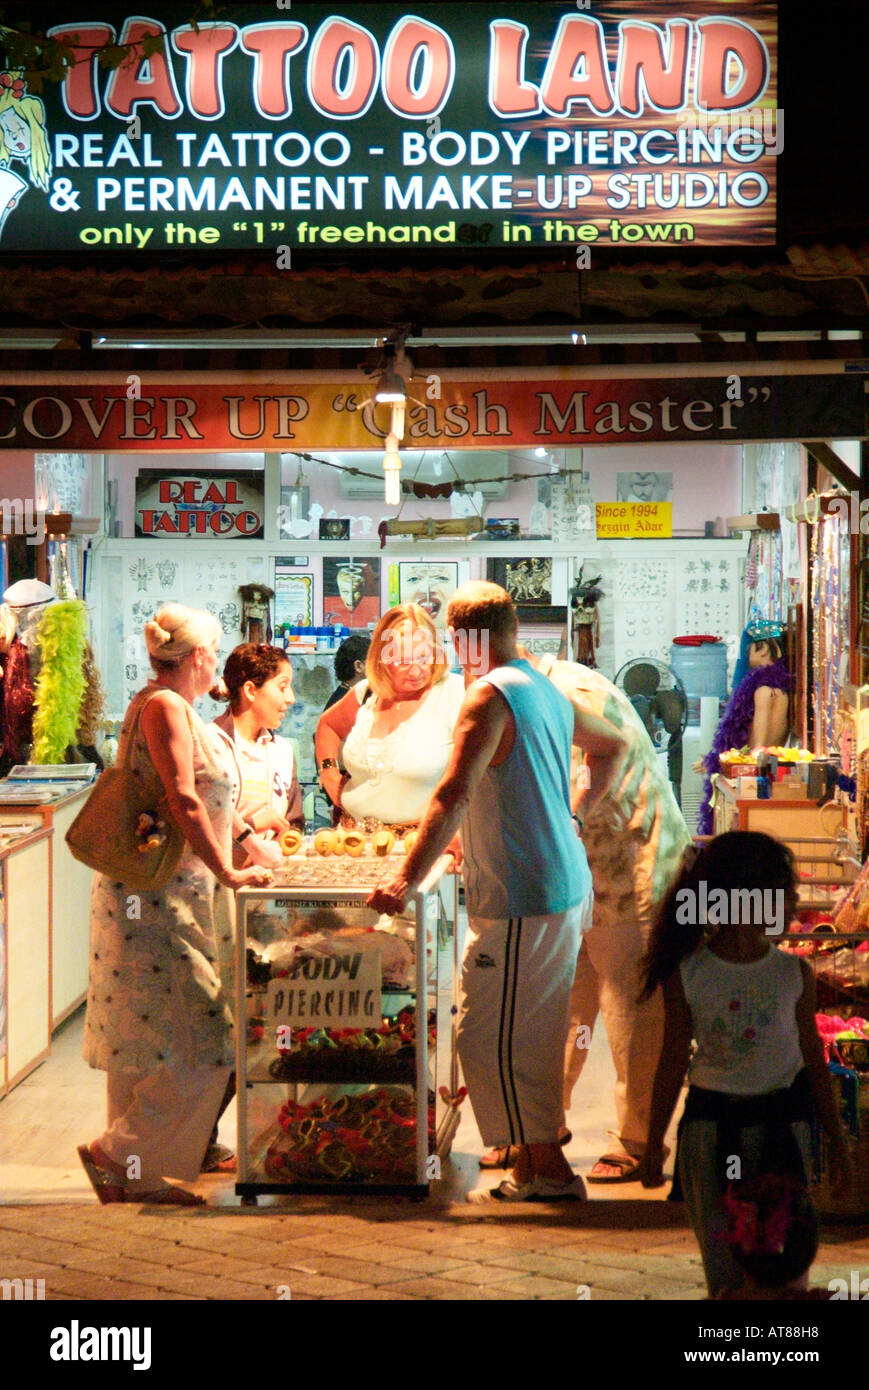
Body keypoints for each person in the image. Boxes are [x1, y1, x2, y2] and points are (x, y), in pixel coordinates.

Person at [368, 582, 626, 1203]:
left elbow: (452, 793)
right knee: (525, 1032)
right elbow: (611, 745)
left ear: (465, 638)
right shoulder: (541, 685)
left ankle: (549, 1173)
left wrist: (405, 877)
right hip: (555, 886)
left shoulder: (487, 697)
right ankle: (539, 1165)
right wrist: (573, 814)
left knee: (488, 1034)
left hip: (523, 897)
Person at [78, 604, 270, 1206]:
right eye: (216, 649)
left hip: (175, 895)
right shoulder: (163, 706)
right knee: (209, 1036)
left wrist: (252, 849)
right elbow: (184, 801)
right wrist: (231, 873)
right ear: (199, 657)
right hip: (158, 899)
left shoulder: (175, 707)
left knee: (152, 1036)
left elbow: (212, 805)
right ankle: (119, 1153)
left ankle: (136, 1174)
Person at [479, 650, 693, 1179]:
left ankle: (637, 1139)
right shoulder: (533, 688)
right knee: (561, 998)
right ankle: (539, 1127)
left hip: (631, 862)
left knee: (631, 1006)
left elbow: (597, 767)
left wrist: (565, 818)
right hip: (578, 869)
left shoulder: (565, 693)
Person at [636, 831, 853, 1295]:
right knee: (728, 1273)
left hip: (784, 1133)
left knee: (787, 1264)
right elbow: (672, 1061)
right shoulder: (689, 973)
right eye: (786, 892)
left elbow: (814, 1063)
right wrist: (652, 1142)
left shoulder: (794, 974)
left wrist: (837, 1139)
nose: (795, 903)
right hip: (712, 1138)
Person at [315, 603, 465, 831]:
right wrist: (328, 771)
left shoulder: (454, 692)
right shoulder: (366, 692)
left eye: (424, 658)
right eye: (403, 661)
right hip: (352, 841)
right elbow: (328, 726)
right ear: (381, 657)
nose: (415, 671)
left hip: (420, 845)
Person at [698, 620, 790, 834]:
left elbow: (757, 749)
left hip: (753, 776)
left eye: (747, 648)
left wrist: (728, 761)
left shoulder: (764, 692)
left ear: (763, 648)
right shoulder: (778, 689)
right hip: (759, 771)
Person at [213, 642, 304, 849]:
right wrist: (253, 825)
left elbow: (294, 821)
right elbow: (198, 828)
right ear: (251, 690)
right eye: (282, 687)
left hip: (269, 873)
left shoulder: (282, 751)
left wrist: (288, 835)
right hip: (221, 877)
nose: (291, 698)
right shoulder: (211, 745)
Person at [322, 633, 370, 712]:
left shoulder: (352, 695)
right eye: (374, 661)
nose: (378, 667)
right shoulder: (343, 705)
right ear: (359, 666)